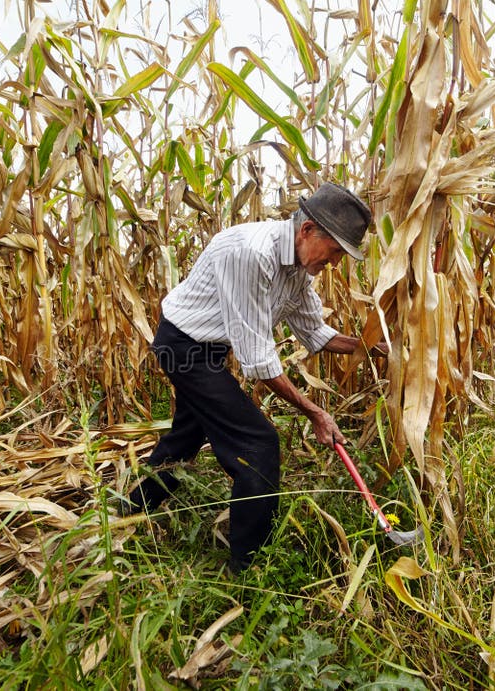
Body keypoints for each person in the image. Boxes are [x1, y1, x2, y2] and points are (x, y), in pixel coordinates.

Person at [128, 182, 386, 573]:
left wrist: (370, 346)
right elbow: (258, 360)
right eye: (335, 251)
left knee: (187, 435)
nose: (334, 263)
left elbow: (316, 334)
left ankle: (132, 508)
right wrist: (315, 412)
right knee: (257, 442)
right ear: (307, 230)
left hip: (208, 348)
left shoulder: (299, 270)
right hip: (181, 345)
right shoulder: (251, 253)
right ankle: (247, 565)